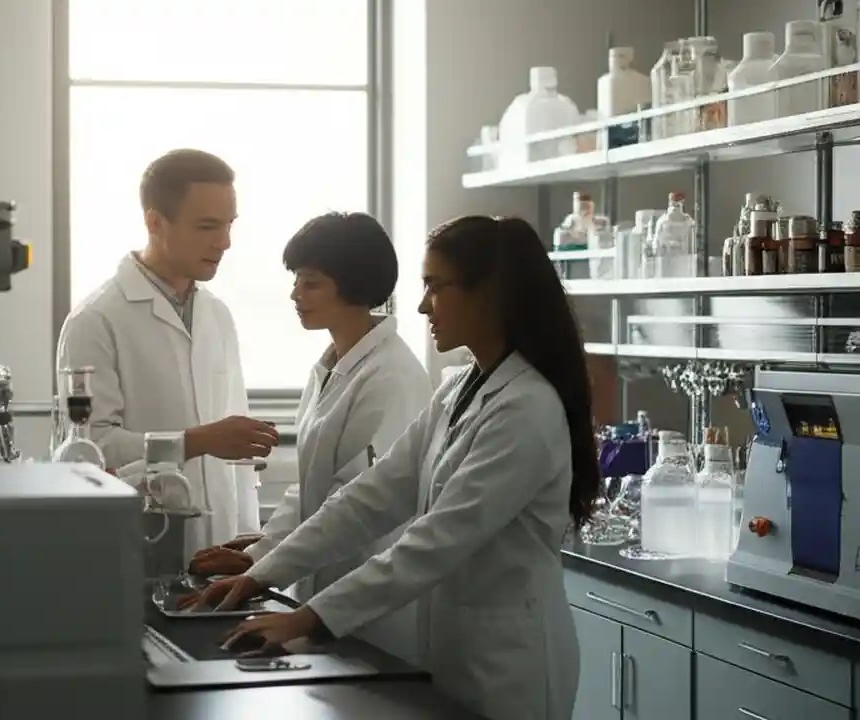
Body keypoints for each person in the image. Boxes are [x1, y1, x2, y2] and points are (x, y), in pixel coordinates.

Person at [185, 216, 600, 720]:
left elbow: (437, 540)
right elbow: (369, 497)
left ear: (489, 294)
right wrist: (262, 572)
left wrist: (309, 618)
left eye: (435, 287)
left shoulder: (527, 409)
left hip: (510, 664)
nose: (423, 304)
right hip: (452, 650)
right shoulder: (458, 388)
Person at [188, 212, 432, 662]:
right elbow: (311, 487)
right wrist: (259, 553)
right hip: (324, 587)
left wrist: (263, 566)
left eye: (311, 283)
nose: (296, 295)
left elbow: (357, 502)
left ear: (355, 286)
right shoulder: (330, 368)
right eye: (296, 281)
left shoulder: (391, 378)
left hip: (368, 600)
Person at [55, 149, 279, 557]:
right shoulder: (96, 320)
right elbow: (91, 447)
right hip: (141, 545)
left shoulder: (217, 315)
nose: (225, 242)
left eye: (229, 225)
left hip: (222, 550)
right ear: (155, 222)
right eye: (207, 226)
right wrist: (198, 441)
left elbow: (238, 452)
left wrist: (248, 542)